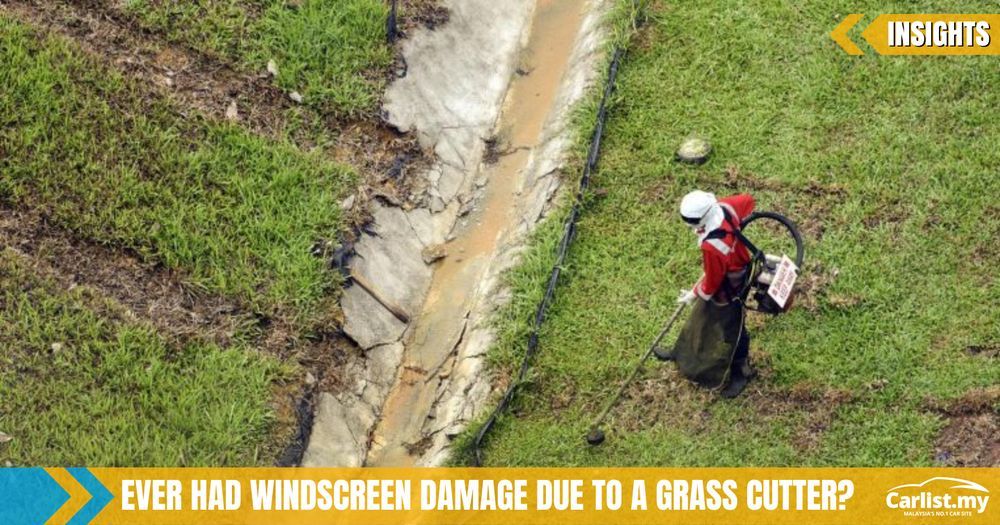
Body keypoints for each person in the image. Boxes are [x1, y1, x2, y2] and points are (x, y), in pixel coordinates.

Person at [654, 190, 757, 398]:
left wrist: (695, 294)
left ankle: (741, 372)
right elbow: (748, 201)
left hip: (731, 283)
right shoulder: (726, 207)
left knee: (731, 327)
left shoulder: (713, 247)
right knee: (701, 314)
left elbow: (712, 282)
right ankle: (681, 352)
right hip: (736, 267)